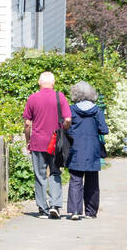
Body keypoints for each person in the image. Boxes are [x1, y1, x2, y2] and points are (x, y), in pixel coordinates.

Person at [23, 71, 71, 218]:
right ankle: (55, 205)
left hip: (37, 143)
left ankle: (43, 209)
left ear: (39, 82)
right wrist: (64, 129)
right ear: (53, 82)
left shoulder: (32, 98)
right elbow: (68, 119)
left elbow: (27, 123)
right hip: (55, 144)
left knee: (40, 176)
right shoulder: (60, 96)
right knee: (55, 172)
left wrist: (28, 141)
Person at [66, 81, 108, 220]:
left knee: (75, 180)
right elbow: (103, 130)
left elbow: (66, 129)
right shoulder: (97, 110)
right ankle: (90, 212)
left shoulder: (71, 110)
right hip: (92, 149)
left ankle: (75, 211)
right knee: (92, 181)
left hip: (76, 149)